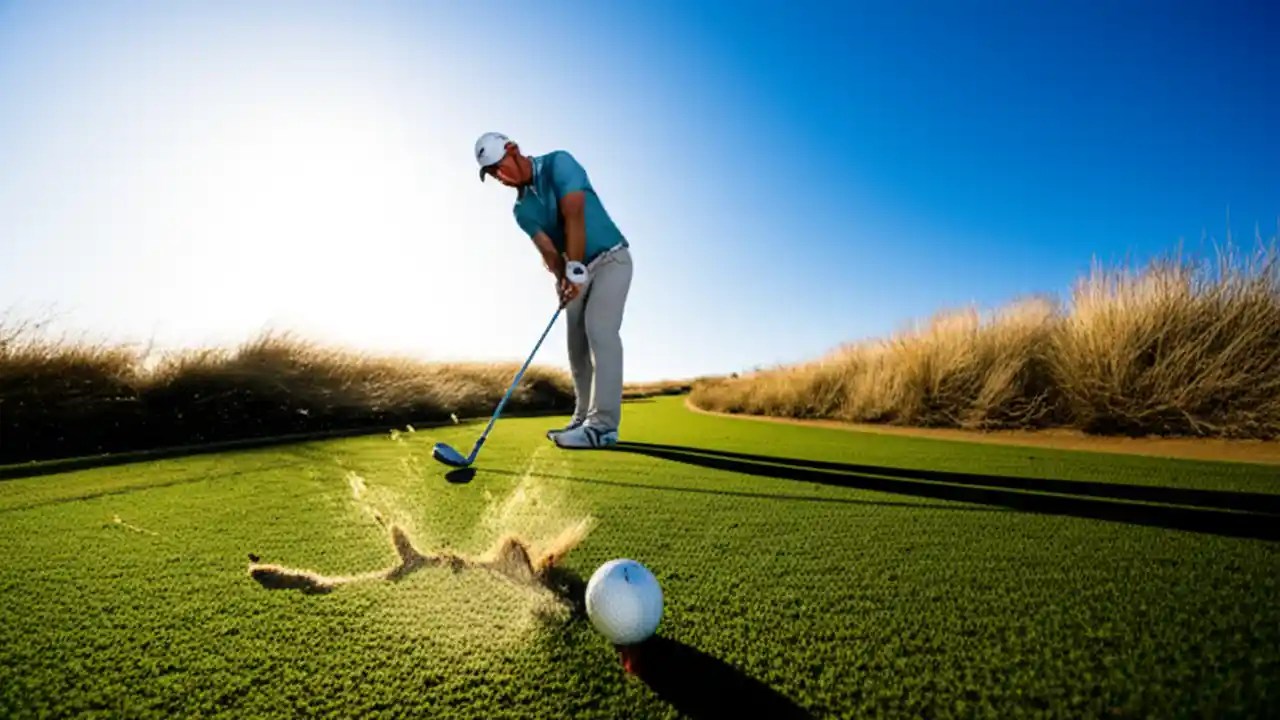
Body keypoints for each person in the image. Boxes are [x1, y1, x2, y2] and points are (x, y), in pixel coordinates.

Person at [474, 132, 633, 449]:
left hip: (611, 259)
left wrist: (573, 268)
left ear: (513, 150)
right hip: (576, 268)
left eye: (499, 167)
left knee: (599, 330)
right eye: (492, 174)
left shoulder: (559, 163)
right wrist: (562, 278)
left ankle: (602, 427)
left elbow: (574, 213)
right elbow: (547, 250)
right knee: (576, 346)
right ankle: (582, 419)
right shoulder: (522, 210)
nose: (499, 177)